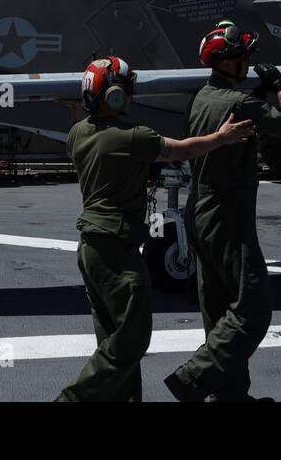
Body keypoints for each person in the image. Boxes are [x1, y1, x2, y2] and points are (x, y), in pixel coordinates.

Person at [57, 55, 254, 402]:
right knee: (132, 340)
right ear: (115, 97)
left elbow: (89, 129)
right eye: (125, 92)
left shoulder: (77, 134)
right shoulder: (134, 138)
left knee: (113, 343)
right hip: (118, 251)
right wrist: (221, 137)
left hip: (89, 250)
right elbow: (182, 150)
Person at [164, 21, 281, 402]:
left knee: (218, 309)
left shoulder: (201, 98)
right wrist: (280, 89)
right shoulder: (242, 104)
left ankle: (228, 397)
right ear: (228, 62)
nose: (248, 61)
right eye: (244, 57)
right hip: (229, 213)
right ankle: (193, 378)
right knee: (252, 308)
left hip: (200, 210)